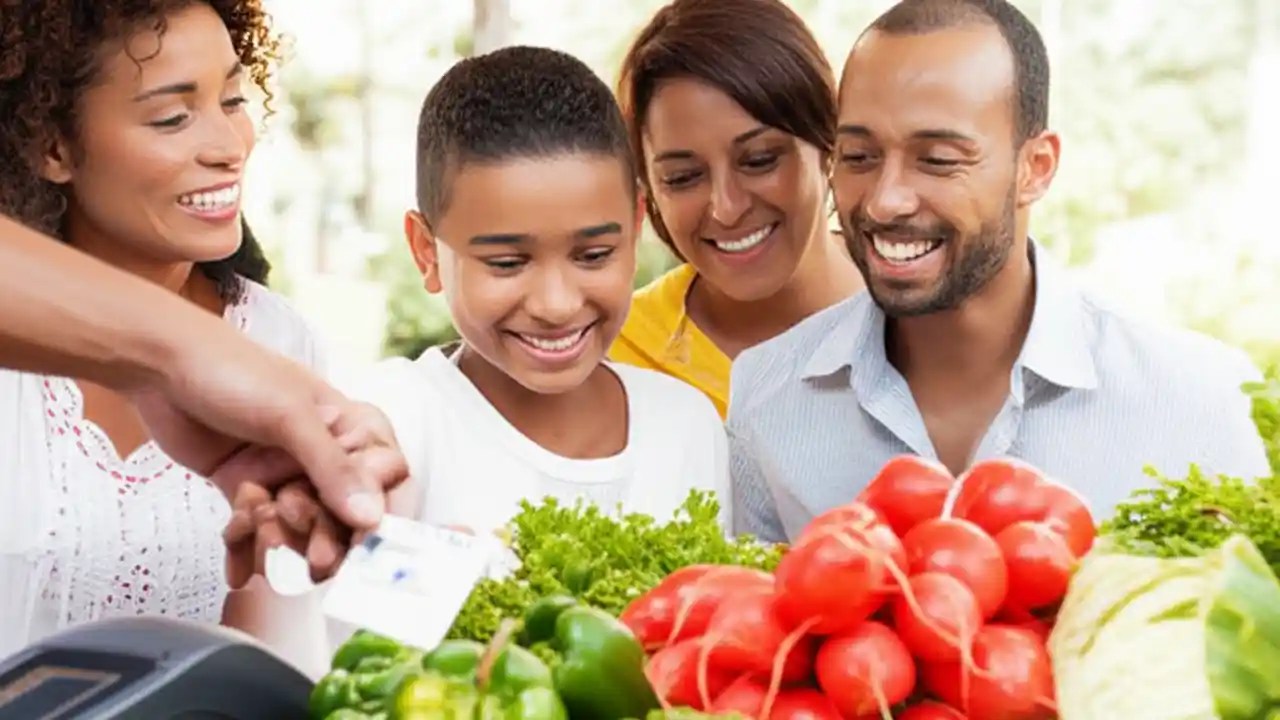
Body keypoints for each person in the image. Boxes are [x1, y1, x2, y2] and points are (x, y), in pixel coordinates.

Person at [726, 0, 1270, 542]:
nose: (885, 201)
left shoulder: (1199, 401)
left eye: (937, 160)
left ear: (1036, 169)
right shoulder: (767, 396)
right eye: (858, 157)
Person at [0, 1, 405, 673]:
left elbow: (259, 653)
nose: (229, 146)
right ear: (53, 147)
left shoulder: (278, 340)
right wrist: (180, 351)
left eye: (234, 99)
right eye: (172, 117)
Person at [339, 45, 729, 537]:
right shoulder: (392, 424)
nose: (556, 304)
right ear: (426, 251)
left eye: (593, 256)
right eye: (506, 263)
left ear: (634, 225)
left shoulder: (686, 425)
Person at [608, 0, 866, 419]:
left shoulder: (922, 323)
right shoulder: (616, 360)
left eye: (760, 160)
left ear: (828, 143)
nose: (726, 209)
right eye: (683, 177)